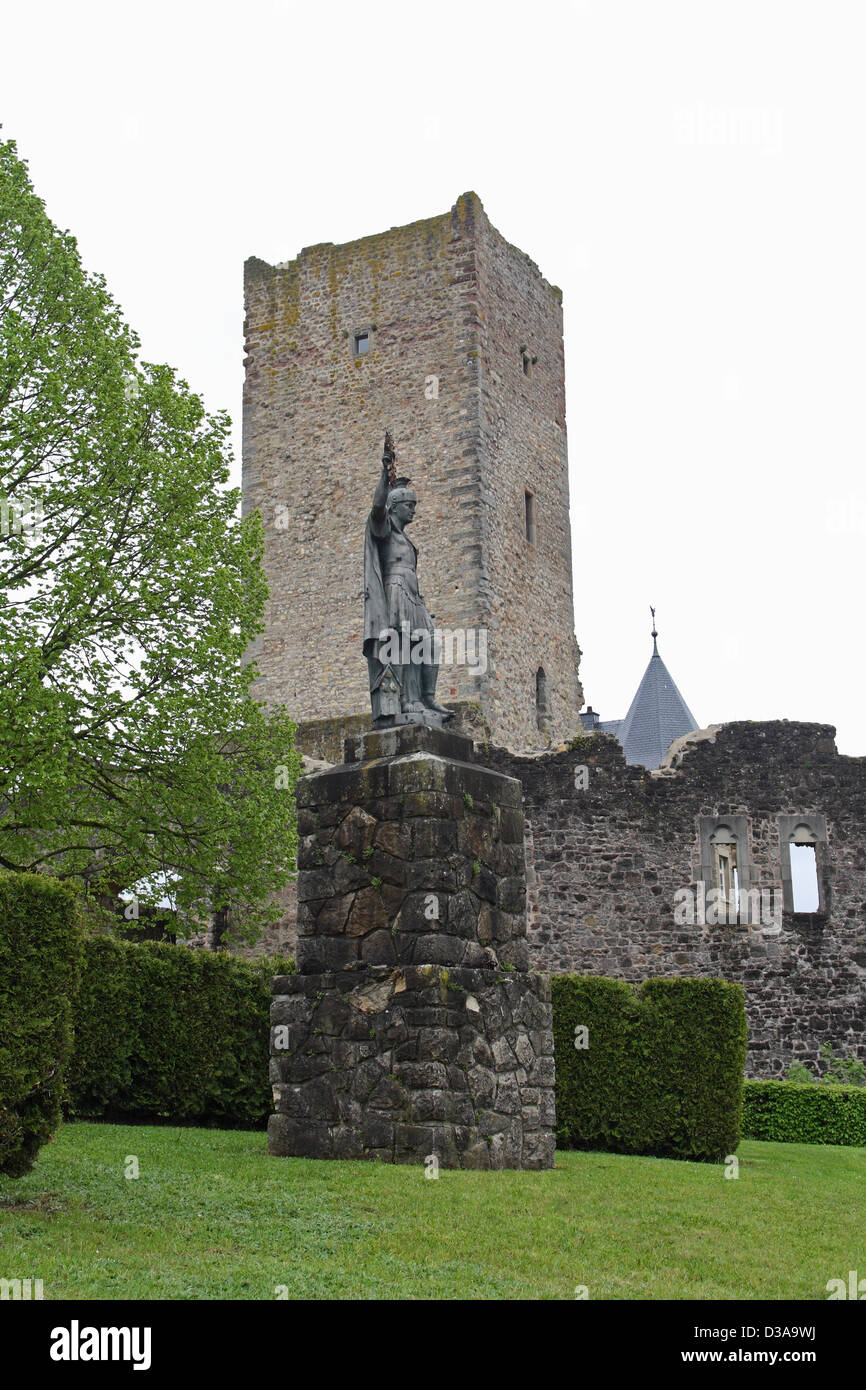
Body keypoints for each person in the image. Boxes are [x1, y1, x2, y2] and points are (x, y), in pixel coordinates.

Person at [363, 435, 453, 725]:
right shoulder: (384, 528)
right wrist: (383, 473)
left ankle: (427, 697)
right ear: (396, 506)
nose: (413, 509)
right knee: (400, 645)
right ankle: (403, 701)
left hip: (413, 596)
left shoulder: (405, 537)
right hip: (395, 590)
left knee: (428, 644)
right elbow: (377, 507)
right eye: (409, 505)